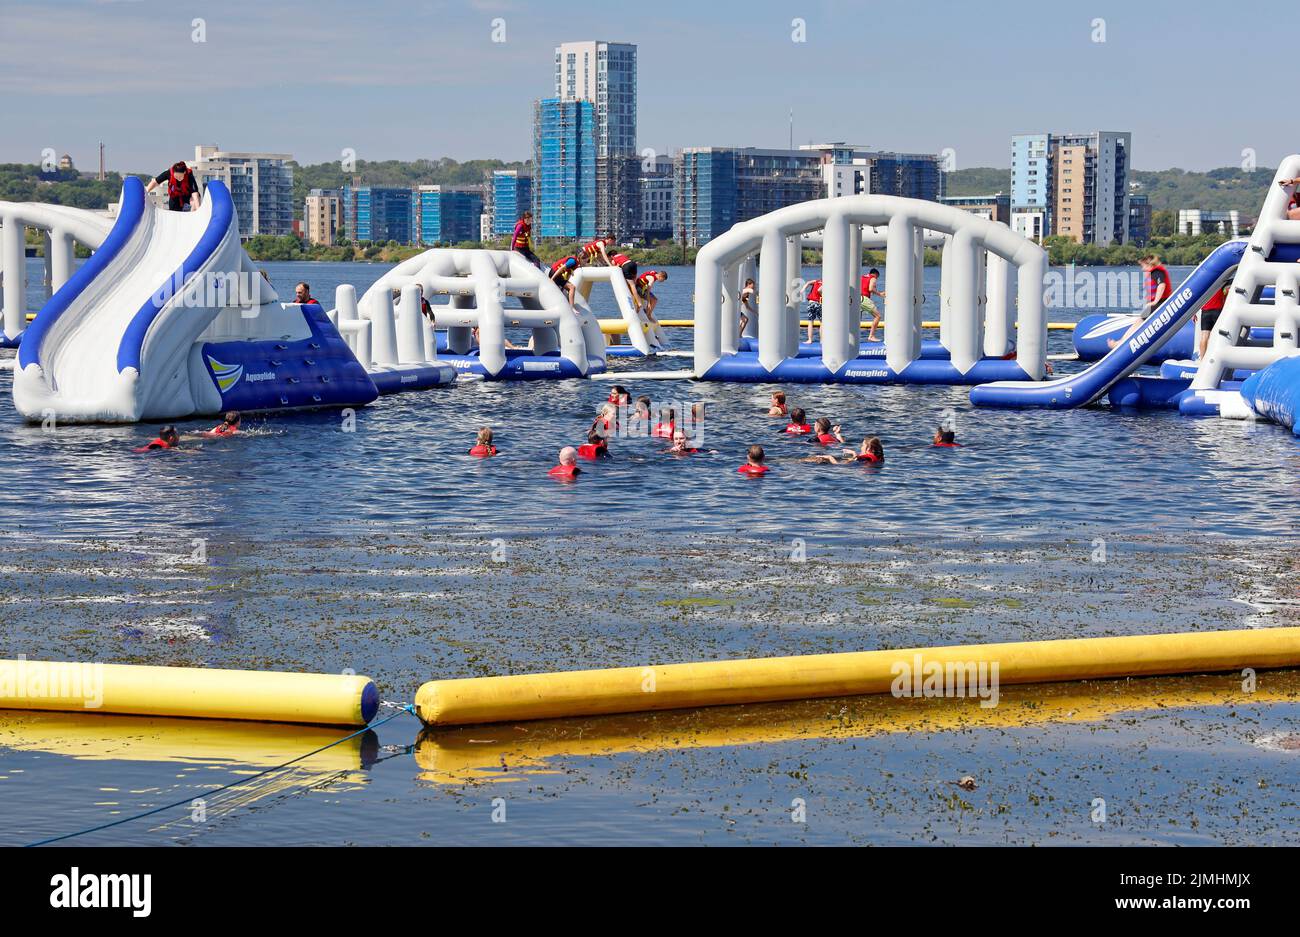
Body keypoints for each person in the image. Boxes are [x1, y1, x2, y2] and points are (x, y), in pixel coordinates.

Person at [1198, 282, 1230, 359]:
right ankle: (1213, 356)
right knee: (1216, 335)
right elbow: (1227, 293)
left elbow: (1197, 299)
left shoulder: (1205, 285)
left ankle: (1202, 359)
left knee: (1204, 336)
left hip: (1205, 311)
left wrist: (1193, 313)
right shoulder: (1221, 284)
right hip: (1217, 311)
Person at [804, 436, 884, 465]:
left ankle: (799, 461)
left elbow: (839, 465)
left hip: (841, 466)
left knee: (824, 458)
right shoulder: (876, 458)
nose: (861, 447)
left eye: (863, 445)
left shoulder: (868, 457)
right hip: (852, 464)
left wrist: (830, 458)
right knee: (821, 458)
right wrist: (850, 455)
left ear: (869, 448)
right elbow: (851, 459)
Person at [861, 268, 886, 342]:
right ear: (876, 274)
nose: (876, 279)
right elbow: (871, 289)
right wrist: (880, 294)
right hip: (863, 298)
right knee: (878, 316)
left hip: (855, 298)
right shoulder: (873, 278)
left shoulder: (862, 277)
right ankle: (871, 336)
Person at [804, 279, 823, 343]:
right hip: (818, 304)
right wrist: (822, 295)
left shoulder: (816, 281)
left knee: (810, 322)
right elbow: (819, 290)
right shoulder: (826, 283)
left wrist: (802, 290)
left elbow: (808, 282)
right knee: (822, 323)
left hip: (811, 303)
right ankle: (821, 340)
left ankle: (810, 339)